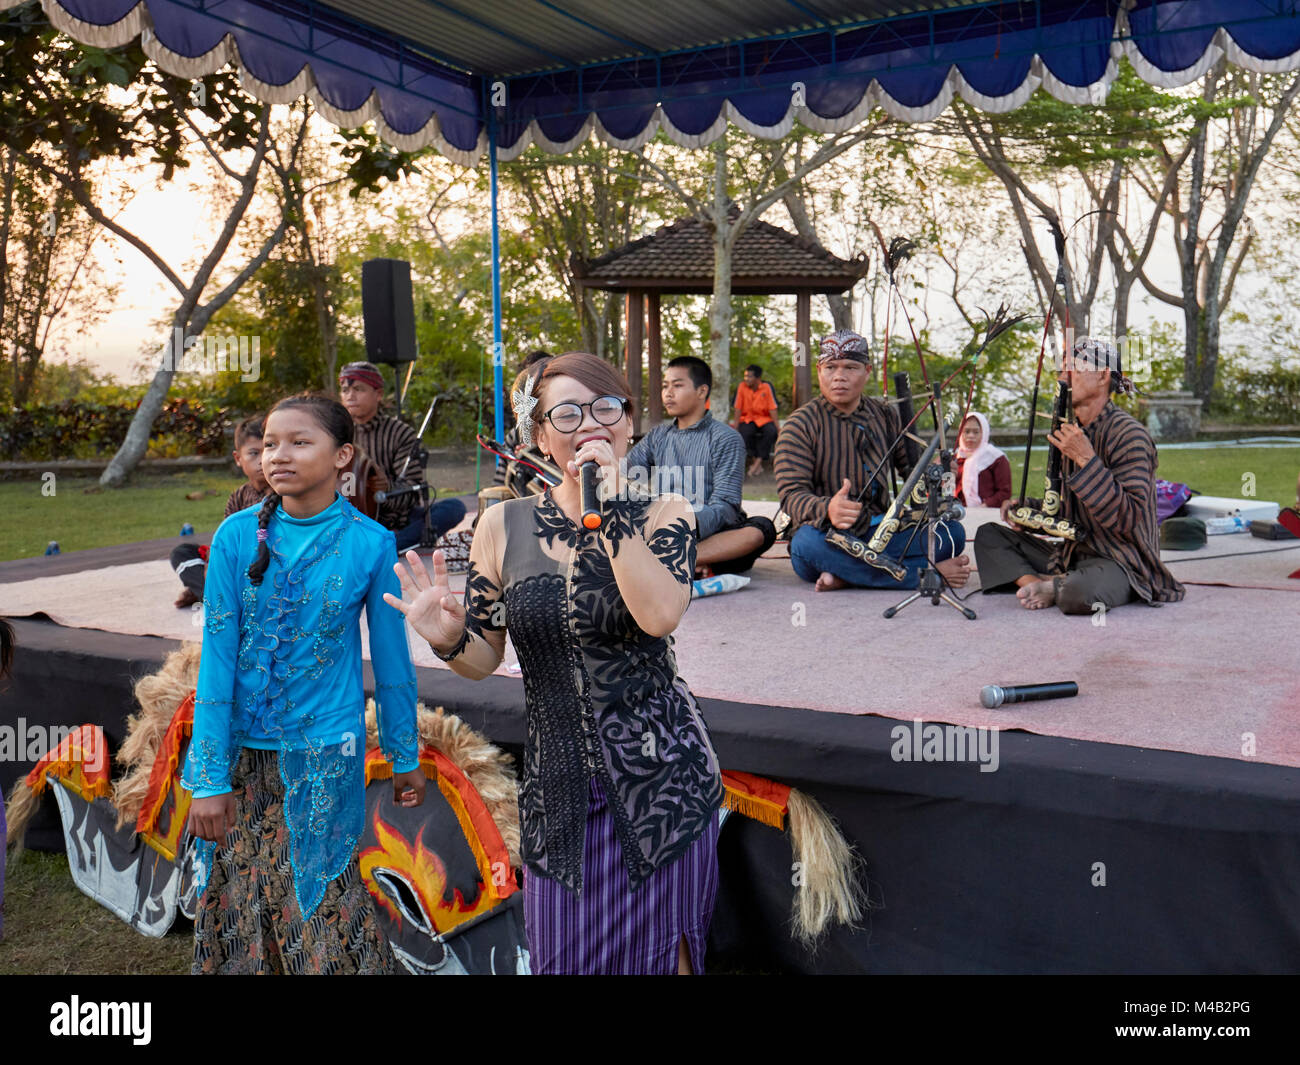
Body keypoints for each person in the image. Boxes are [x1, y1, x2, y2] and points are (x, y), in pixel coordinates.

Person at [386, 352, 723, 976]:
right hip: (560, 792)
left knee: (663, 961)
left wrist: (610, 508)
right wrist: (447, 637)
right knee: (563, 959)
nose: (589, 423)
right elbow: (483, 659)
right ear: (538, 434)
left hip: (665, 782)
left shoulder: (664, 513)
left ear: (627, 426)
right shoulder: (501, 526)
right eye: (566, 412)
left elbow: (659, 615)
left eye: (606, 408)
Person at [181, 392, 426, 974]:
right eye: (269, 444)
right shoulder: (237, 538)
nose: (277, 456)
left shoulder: (370, 542)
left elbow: (392, 665)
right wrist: (209, 775)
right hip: (241, 756)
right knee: (241, 892)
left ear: (344, 456)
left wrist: (404, 753)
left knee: (323, 891)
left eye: (298, 442)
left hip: (326, 754)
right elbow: (216, 660)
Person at [973, 337, 1186, 613]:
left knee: (1080, 592)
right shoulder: (1072, 430)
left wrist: (1086, 459)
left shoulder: (1130, 435)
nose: (1063, 378)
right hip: (1073, 553)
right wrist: (1030, 511)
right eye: (1061, 371)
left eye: (1072, 368)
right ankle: (1043, 583)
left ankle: (1057, 587)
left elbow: (1130, 520)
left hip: (1122, 562)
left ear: (1102, 375)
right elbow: (1074, 515)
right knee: (989, 536)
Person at [774, 330, 971, 592]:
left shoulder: (885, 415)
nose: (839, 376)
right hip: (829, 534)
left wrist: (934, 470)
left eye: (850, 367)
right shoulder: (800, 424)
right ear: (819, 370)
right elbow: (791, 496)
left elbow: (910, 469)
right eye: (830, 367)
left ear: (867, 371)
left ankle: (847, 574)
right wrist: (829, 508)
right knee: (805, 546)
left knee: (951, 533)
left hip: (882, 529)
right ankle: (922, 576)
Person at [627, 355, 776, 577]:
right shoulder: (658, 436)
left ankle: (671, 559)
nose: (668, 393)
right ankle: (692, 562)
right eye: (665, 386)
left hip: (709, 531)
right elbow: (625, 475)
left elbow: (726, 505)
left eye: (677, 385)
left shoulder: (726, 438)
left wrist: (687, 521)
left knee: (761, 529)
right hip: (660, 528)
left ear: (701, 391)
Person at [338, 361, 466, 551]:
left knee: (453, 508)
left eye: (358, 389)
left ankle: (383, 547)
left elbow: (411, 491)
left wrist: (385, 487)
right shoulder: (334, 434)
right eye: (345, 390)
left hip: (395, 519)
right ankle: (383, 547)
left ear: (378, 394)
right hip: (348, 519)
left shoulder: (400, 433)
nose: (350, 396)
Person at [170, 415, 271, 608]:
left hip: (265, 566)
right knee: (182, 552)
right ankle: (210, 594)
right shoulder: (238, 496)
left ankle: (214, 597)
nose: (261, 460)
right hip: (236, 564)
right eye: (253, 453)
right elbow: (226, 541)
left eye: (268, 450)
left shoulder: (284, 492)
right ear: (238, 459)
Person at [954, 411, 1012, 509]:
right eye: (966, 431)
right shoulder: (956, 457)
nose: (971, 436)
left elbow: (1004, 492)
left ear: (984, 432)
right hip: (957, 512)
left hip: (987, 512)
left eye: (976, 432)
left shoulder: (996, 458)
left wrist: (985, 506)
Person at [732, 364, 779, 476]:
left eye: (749, 376)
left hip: (763, 418)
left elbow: (772, 408)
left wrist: (778, 428)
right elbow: (738, 408)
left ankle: (757, 463)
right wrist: (735, 426)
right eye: (745, 376)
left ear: (758, 378)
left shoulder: (766, 387)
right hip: (748, 418)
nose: (746, 379)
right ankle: (755, 462)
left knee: (771, 432)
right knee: (745, 433)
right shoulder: (742, 386)